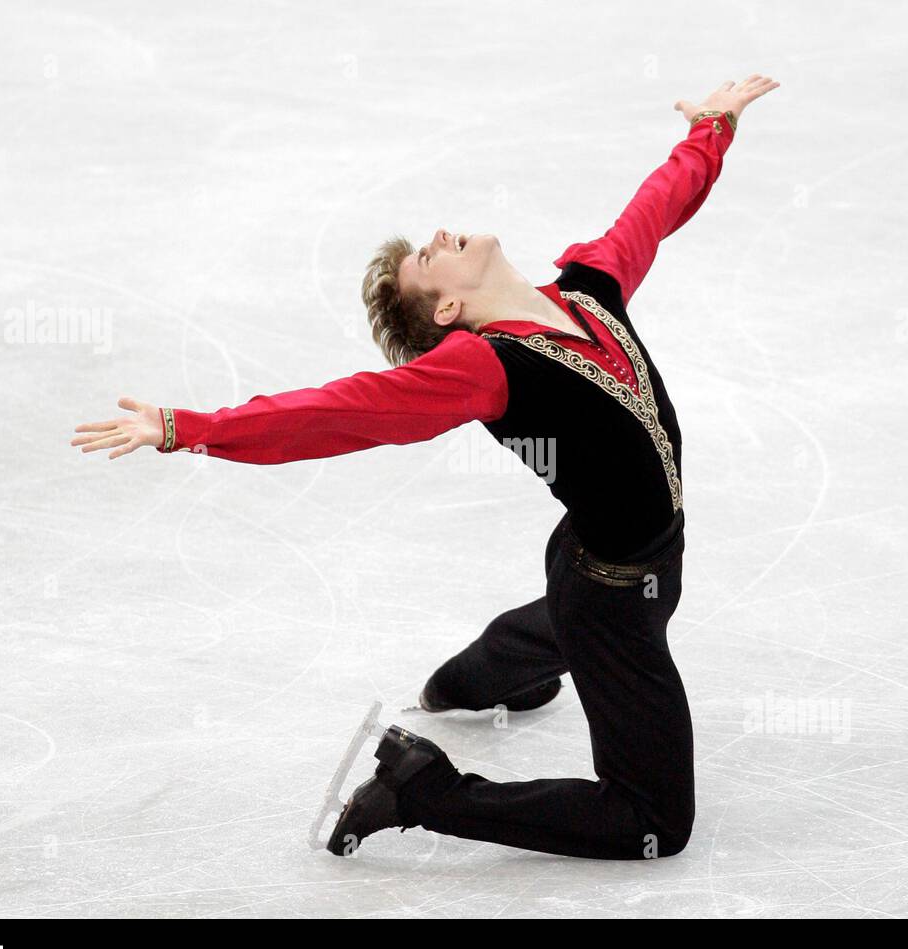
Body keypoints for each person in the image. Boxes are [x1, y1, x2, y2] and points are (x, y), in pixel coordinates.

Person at [71, 75, 780, 860]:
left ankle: (466, 684)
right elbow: (335, 411)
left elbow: (654, 209)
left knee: (562, 619)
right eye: (425, 257)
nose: (441, 234)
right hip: (611, 590)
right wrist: (185, 428)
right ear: (445, 311)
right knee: (652, 821)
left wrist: (709, 130)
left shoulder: (587, 288)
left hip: (616, 563)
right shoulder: (481, 367)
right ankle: (424, 788)